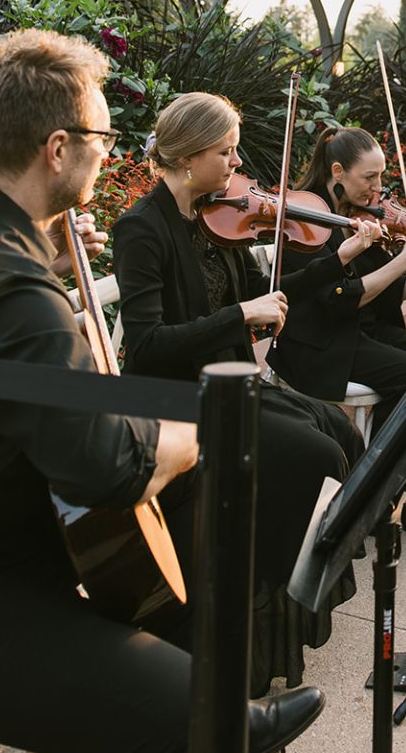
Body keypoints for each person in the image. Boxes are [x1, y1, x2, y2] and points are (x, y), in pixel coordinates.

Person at [0, 31, 322, 753]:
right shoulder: (5, 286)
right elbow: (106, 470)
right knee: (205, 726)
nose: (109, 155)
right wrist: (188, 433)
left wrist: (55, 285)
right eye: (102, 139)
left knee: (174, 624)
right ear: (58, 147)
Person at [112, 91, 362, 692]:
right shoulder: (141, 229)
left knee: (341, 433)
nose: (235, 163)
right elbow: (146, 346)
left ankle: (279, 612)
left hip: (229, 385)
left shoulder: (209, 219)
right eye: (225, 151)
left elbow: (271, 293)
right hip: (179, 401)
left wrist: (339, 258)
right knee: (315, 457)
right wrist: (238, 316)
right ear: (191, 154)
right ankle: (251, 617)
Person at [269, 126, 406, 538]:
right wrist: (403, 259)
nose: (378, 189)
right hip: (320, 343)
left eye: (381, 177)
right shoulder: (307, 222)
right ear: (338, 171)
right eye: (369, 178)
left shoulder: (360, 219)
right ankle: (374, 498)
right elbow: (342, 299)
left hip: (360, 330)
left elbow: (385, 295)